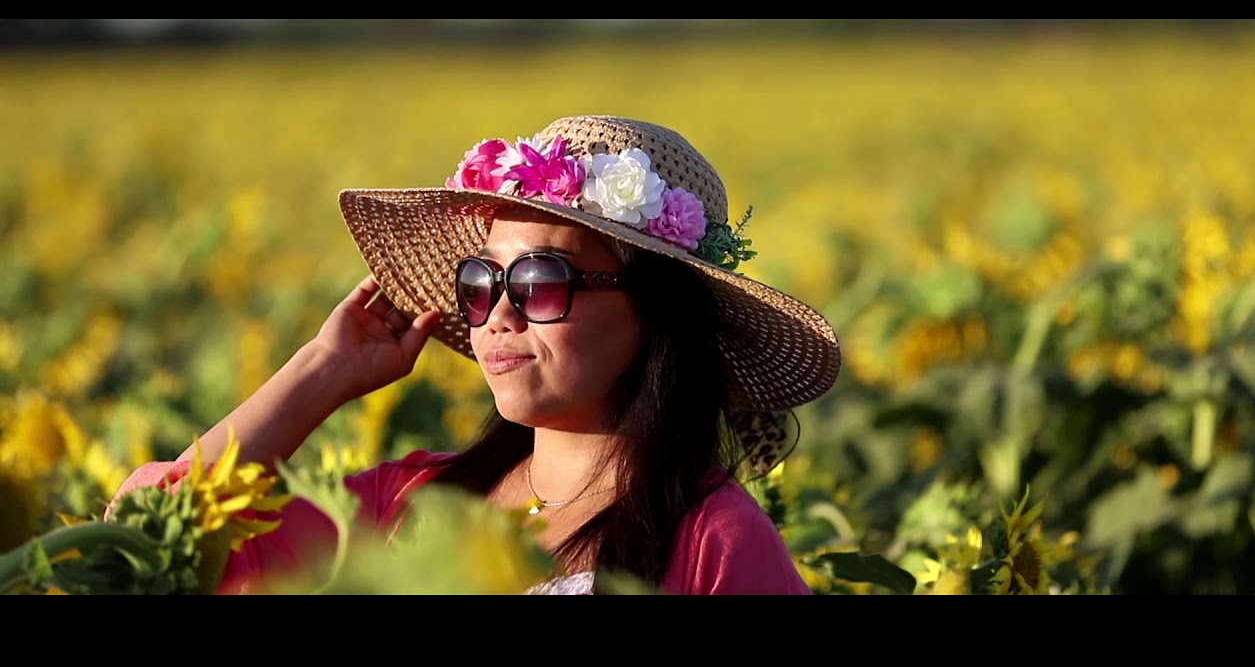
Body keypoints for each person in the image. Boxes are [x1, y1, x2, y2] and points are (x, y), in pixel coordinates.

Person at [108, 115, 844, 595]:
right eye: (481, 281)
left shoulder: (713, 541)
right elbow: (144, 547)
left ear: (656, 314)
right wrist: (318, 375)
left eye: (537, 281)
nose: (495, 313)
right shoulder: (408, 504)